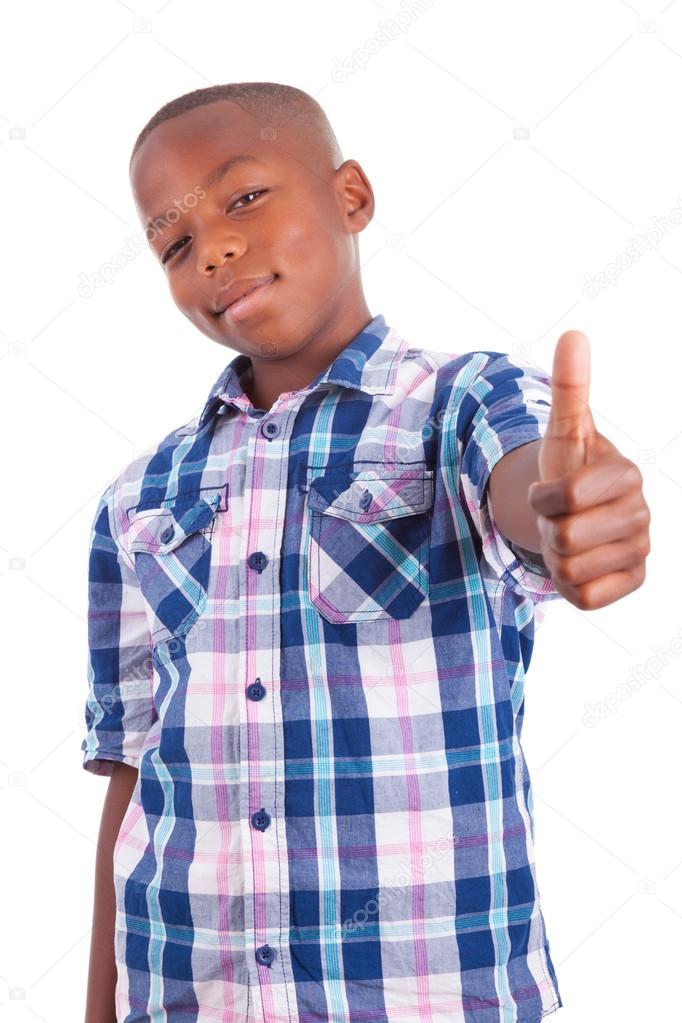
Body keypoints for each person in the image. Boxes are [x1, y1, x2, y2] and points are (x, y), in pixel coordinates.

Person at [81, 82, 650, 1023]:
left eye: (245, 198)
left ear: (351, 197)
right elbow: (136, 768)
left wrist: (571, 514)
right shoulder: (140, 498)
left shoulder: (461, 405)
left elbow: (532, 480)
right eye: (174, 244)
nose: (214, 247)